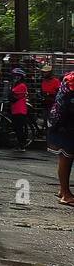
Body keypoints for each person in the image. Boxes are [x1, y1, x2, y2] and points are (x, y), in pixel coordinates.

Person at [45, 70, 74, 206]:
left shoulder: (69, 78)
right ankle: (65, 193)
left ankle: (64, 190)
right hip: (66, 125)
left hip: (62, 123)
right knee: (66, 156)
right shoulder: (71, 81)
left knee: (66, 157)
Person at [8, 68, 30, 149]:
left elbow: (11, 96)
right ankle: (20, 144)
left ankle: (21, 144)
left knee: (19, 128)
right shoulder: (17, 85)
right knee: (17, 128)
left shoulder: (22, 86)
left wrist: (11, 93)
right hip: (15, 109)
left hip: (20, 110)